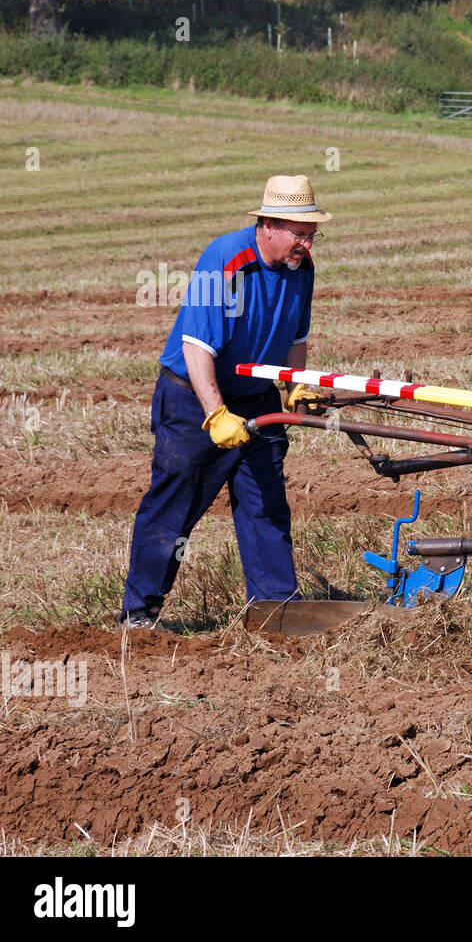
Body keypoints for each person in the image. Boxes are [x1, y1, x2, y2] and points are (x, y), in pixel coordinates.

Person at [119, 174, 331, 630]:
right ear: (269, 225)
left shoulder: (302, 270)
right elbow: (197, 348)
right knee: (176, 504)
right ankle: (140, 614)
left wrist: (296, 385)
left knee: (265, 504)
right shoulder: (227, 260)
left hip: (256, 395)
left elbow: (297, 338)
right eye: (300, 234)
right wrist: (216, 414)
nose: (307, 246)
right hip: (195, 396)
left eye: (312, 236)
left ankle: (276, 611)